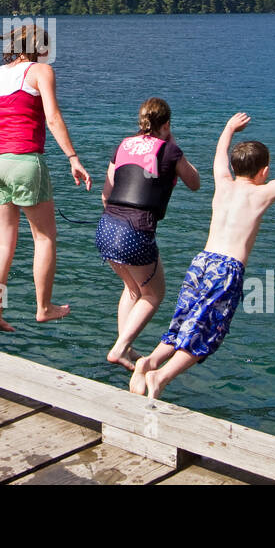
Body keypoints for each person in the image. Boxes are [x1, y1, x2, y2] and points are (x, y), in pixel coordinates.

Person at [130, 112, 275, 399]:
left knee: (184, 320)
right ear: (264, 171)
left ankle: (149, 362)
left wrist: (228, 127)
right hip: (226, 270)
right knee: (208, 331)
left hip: (202, 261)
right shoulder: (262, 193)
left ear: (233, 165)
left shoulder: (223, 183)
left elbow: (219, 153)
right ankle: (161, 377)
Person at [0, 23, 91, 331]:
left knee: (3, 242)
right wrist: (73, 157)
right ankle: (43, 307)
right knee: (44, 238)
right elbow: (52, 117)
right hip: (25, 160)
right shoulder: (42, 72)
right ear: (39, 47)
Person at [98, 98, 201, 370]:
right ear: (166, 124)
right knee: (154, 295)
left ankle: (126, 346)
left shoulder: (122, 145)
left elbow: (106, 194)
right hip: (136, 230)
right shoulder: (170, 151)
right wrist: (172, 143)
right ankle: (120, 349)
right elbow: (195, 182)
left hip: (106, 227)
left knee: (132, 289)